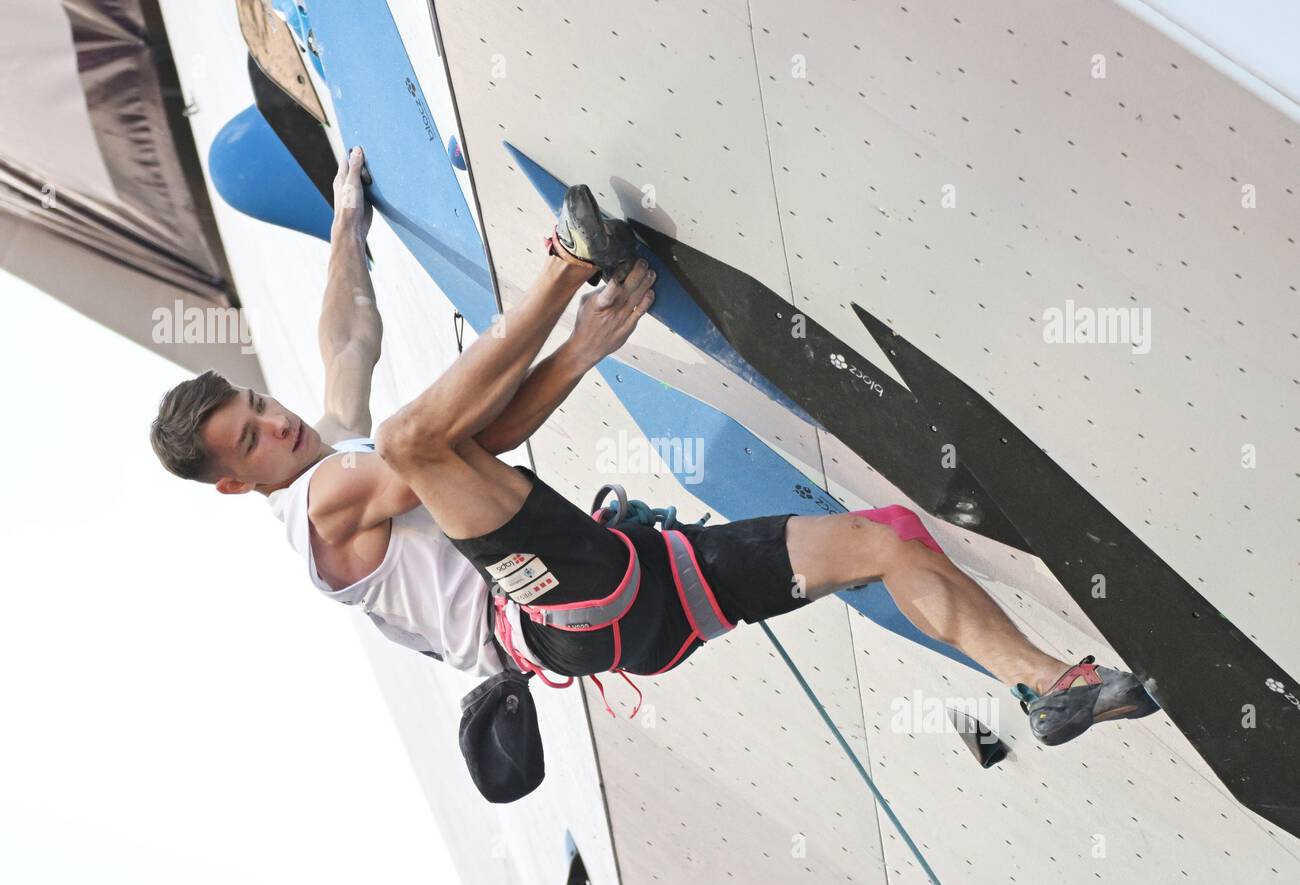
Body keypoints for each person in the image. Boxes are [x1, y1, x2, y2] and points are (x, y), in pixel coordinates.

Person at [151, 147, 1157, 745]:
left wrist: (341, 229)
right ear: (239, 483)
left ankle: (1044, 686)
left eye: (258, 401)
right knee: (416, 433)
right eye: (254, 436)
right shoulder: (320, 509)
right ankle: (563, 262)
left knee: (888, 538)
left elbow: (347, 342)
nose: (278, 420)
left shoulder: (320, 452)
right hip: (552, 615)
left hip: (644, 589)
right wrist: (573, 333)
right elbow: (457, 437)